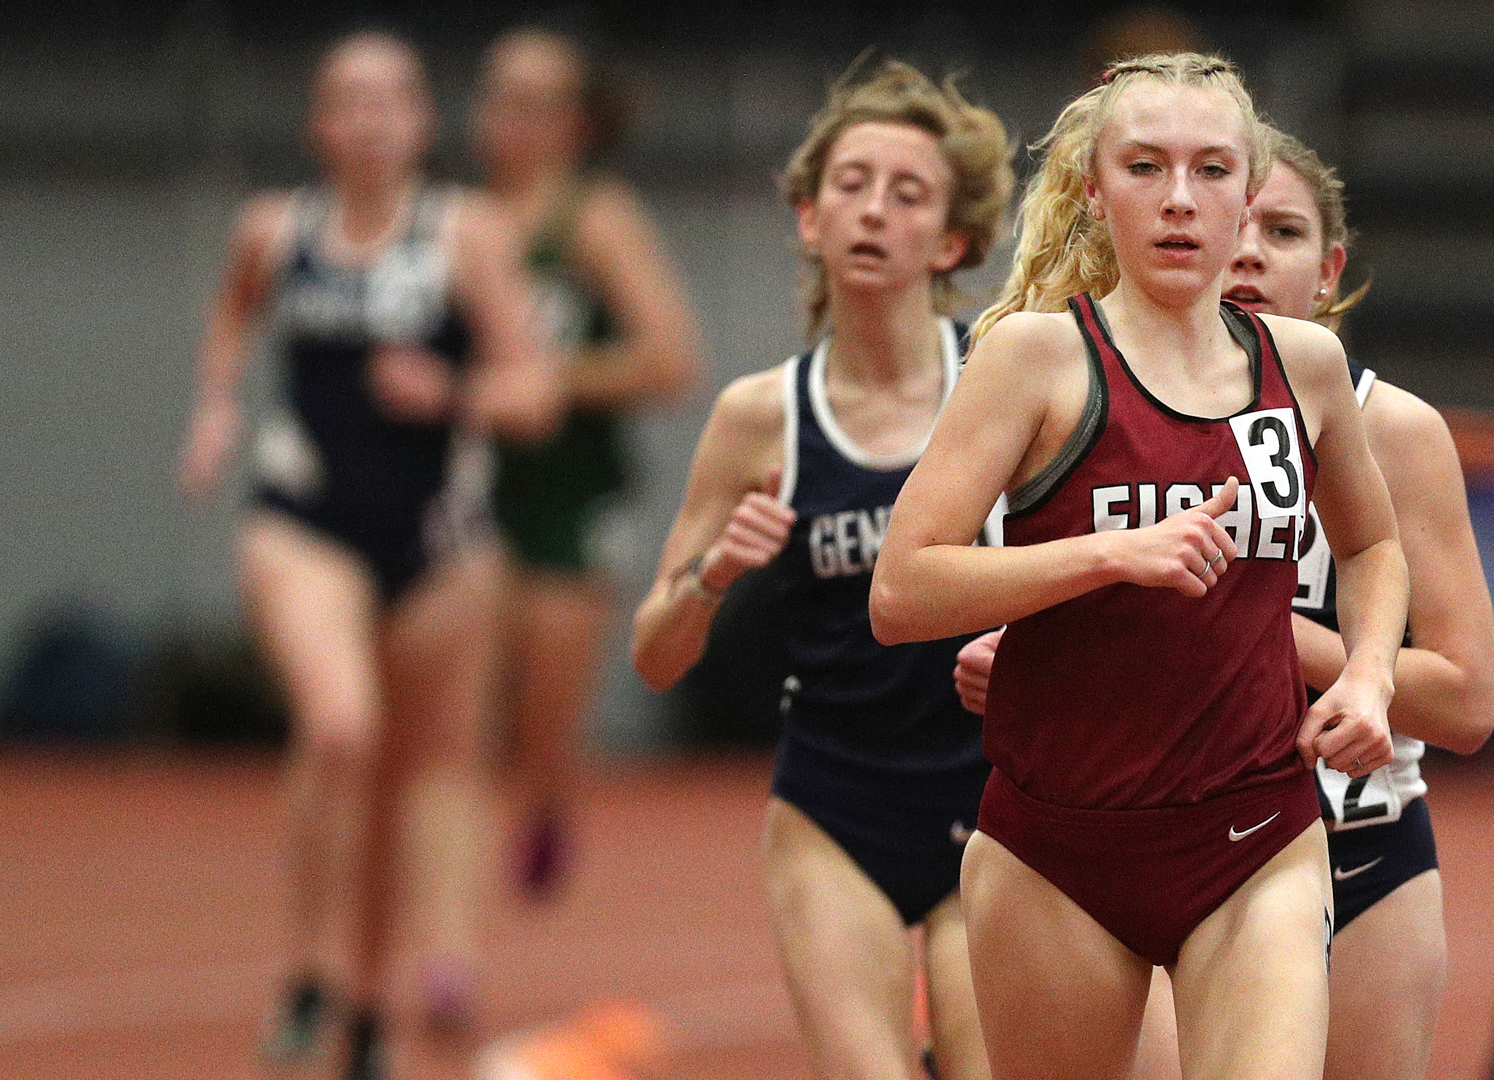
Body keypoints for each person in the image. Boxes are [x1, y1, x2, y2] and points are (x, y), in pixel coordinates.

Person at [870, 53, 1410, 1080]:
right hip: (1056, 851)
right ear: (1093, 189)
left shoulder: (1303, 365)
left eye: (1211, 171)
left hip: (1256, 832)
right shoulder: (1034, 358)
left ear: (1248, 197)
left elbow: (1374, 546)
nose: (1178, 200)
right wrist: (1107, 555)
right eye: (1145, 166)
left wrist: (1371, 672)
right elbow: (901, 591)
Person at [951, 122, 1494, 1080]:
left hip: (1358, 836)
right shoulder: (1081, 393)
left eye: (1280, 233)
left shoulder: (1392, 428)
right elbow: (1010, 589)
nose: (1247, 252)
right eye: (1236, 225)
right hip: (1147, 822)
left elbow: (1464, 701)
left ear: (1328, 269)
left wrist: (1268, 636)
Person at [177, 30, 557, 1080]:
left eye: (391, 100)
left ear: (423, 125)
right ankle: (306, 968)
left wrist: (454, 394)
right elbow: (230, 318)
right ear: (317, 125)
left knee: (416, 769)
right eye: (347, 100)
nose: (369, 119)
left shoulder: (464, 233)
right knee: (341, 726)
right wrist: (214, 410)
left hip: (437, 543)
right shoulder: (272, 229)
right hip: (302, 526)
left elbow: (532, 390)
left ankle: (368, 998)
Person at [628, 57, 1013, 1080]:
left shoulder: (1009, 379)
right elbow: (653, 656)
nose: (873, 212)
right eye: (850, 186)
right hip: (835, 802)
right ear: (809, 219)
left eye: (907, 192)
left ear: (955, 239)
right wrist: (714, 574)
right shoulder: (763, 417)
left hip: (997, 791)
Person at [471, 27, 704, 899]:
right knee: (464, 706)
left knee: (543, 714)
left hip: (571, 490)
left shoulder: (595, 218)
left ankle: (545, 805)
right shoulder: (458, 219)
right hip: (470, 490)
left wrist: (550, 378)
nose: (508, 122)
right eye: (496, 99)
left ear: (573, 122)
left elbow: (671, 358)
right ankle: (455, 895)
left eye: (532, 105)